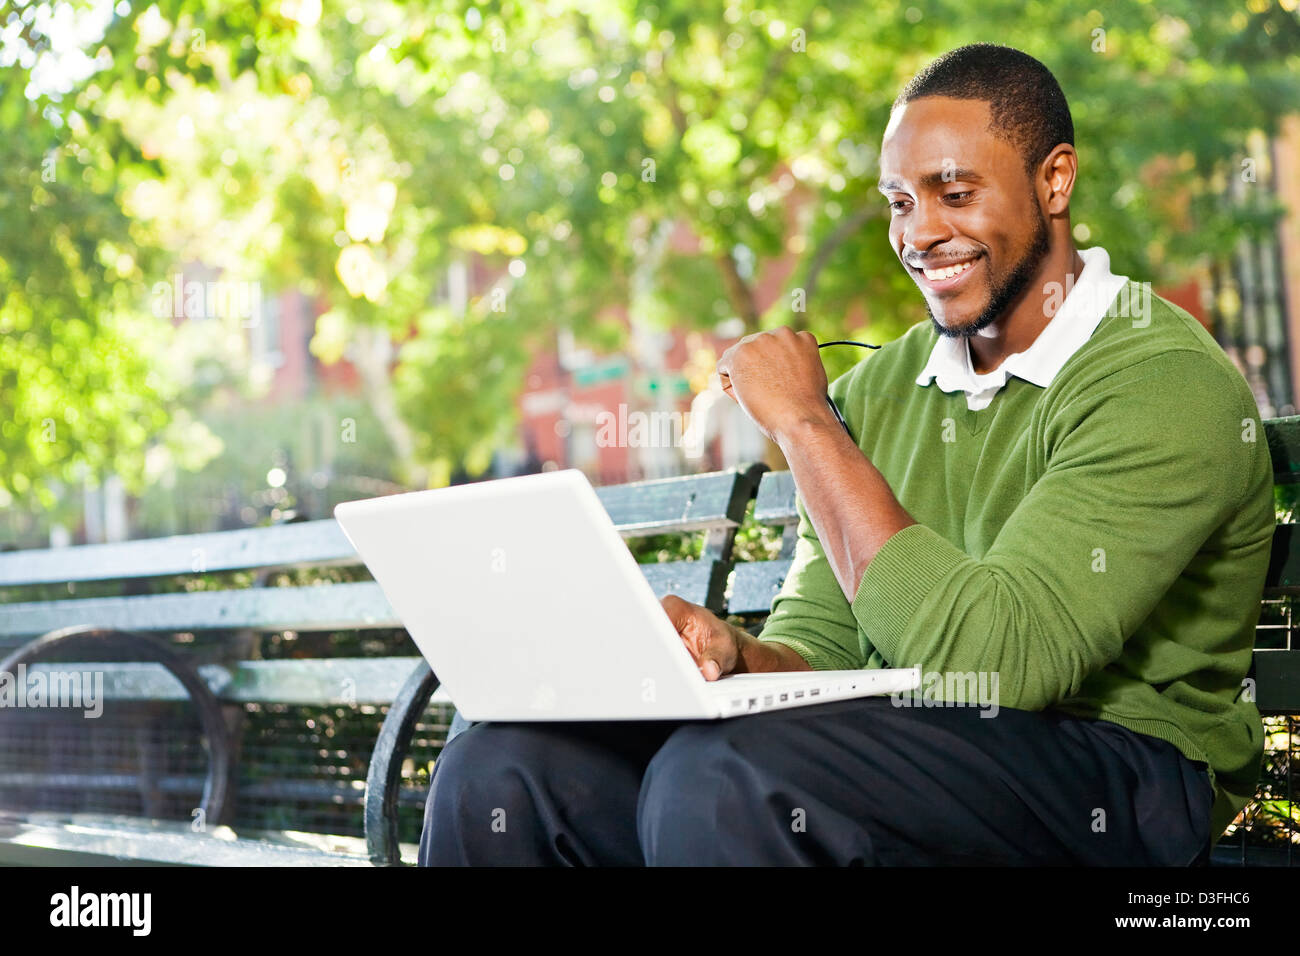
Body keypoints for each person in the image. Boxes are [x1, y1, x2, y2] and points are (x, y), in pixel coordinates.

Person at [418, 43, 1271, 866]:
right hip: (903, 743)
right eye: (901, 202)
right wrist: (736, 655)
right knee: (503, 773)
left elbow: (1001, 666)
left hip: (1118, 776)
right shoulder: (885, 386)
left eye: (955, 193)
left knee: (723, 781)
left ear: (1054, 180)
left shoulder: (1159, 379)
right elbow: (820, 643)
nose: (921, 233)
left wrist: (807, 425)